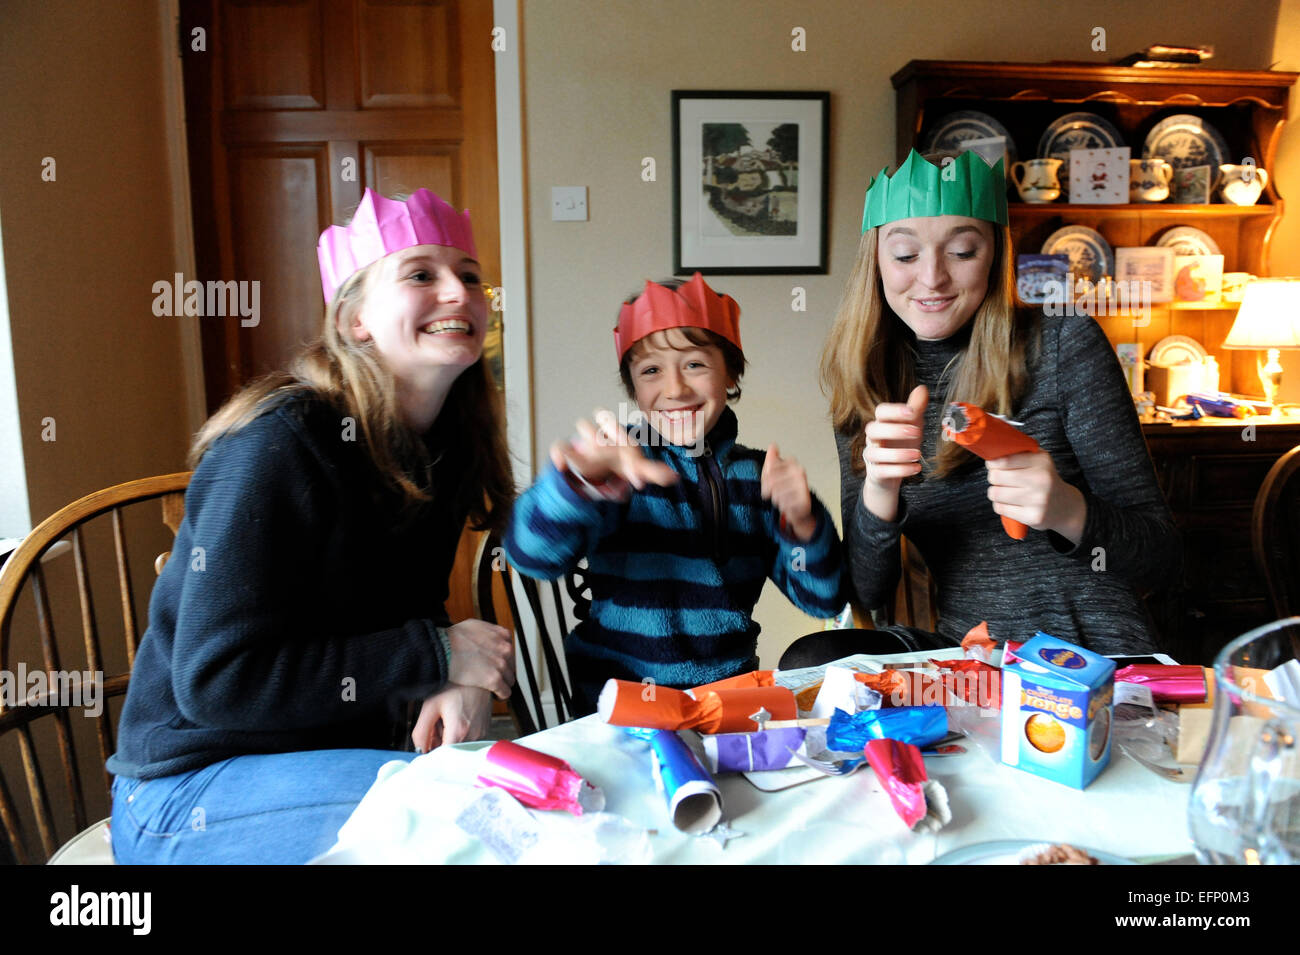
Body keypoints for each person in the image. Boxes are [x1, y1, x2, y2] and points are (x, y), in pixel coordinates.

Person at [106, 188, 516, 864]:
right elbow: (217, 682)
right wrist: (441, 654)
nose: (459, 292)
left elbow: (403, 611)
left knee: (520, 809)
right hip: (188, 793)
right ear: (355, 320)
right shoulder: (280, 444)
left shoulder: (441, 448)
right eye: (421, 273)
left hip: (331, 756)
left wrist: (457, 675)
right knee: (471, 824)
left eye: (469, 275)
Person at [821, 150, 1179, 654]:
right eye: (905, 255)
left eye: (962, 251)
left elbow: (1162, 559)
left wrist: (1065, 510)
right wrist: (880, 491)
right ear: (876, 261)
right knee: (813, 658)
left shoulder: (1061, 344)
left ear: (994, 255)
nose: (931, 278)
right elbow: (867, 594)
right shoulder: (867, 378)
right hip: (973, 655)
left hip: (1094, 655)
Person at [505, 274, 844, 712]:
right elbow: (531, 558)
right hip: (618, 701)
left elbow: (824, 600)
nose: (676, 388)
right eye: (651, 371)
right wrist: (578, 486)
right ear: (633, 388)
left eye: (695, 364)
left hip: (726, 699)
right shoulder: (616, 466)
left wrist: (802, 526)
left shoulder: (760, 478)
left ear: (731, 374)